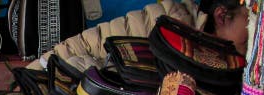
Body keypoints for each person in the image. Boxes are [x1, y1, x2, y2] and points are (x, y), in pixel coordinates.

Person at [26, 0, 250, 73]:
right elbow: (88, 44)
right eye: (249, 19)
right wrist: (32, 74)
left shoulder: (227, 63)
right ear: (222, 15)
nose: (256, 32)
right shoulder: (166, 21)